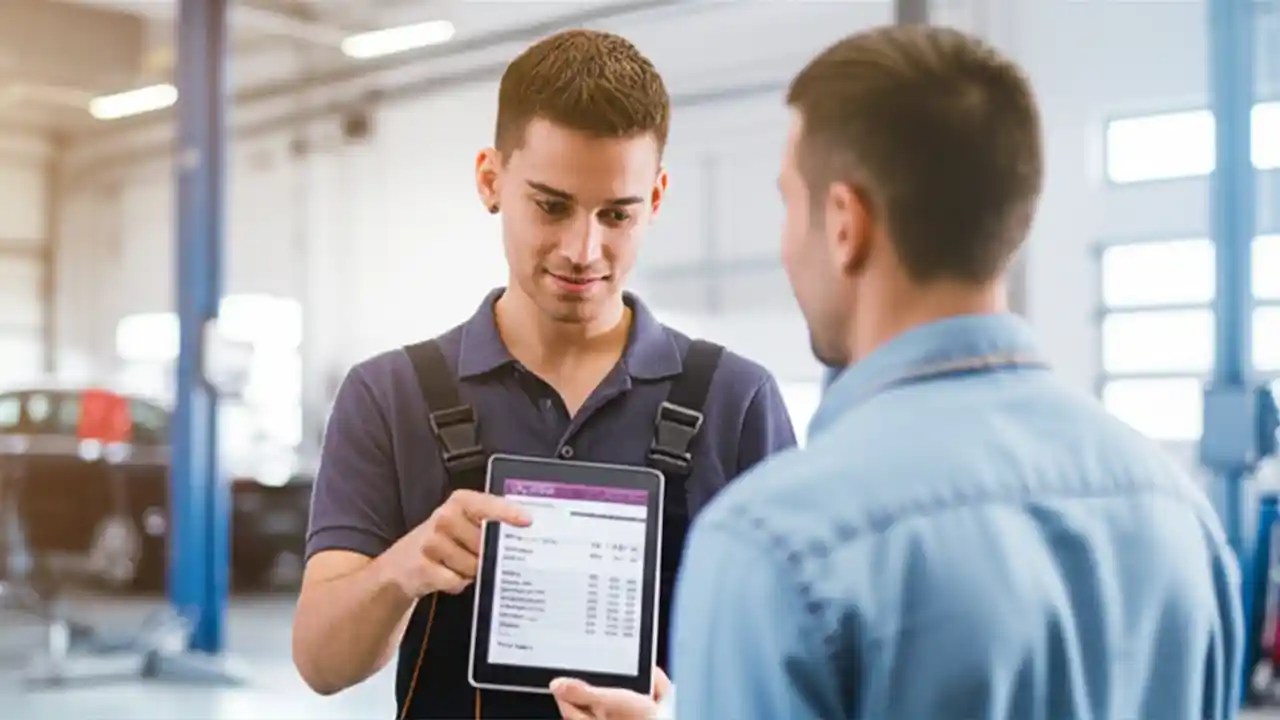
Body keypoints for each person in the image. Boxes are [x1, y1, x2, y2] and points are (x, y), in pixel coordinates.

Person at [550, 24, 1243, 720]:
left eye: (790, 204)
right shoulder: (1178, 516)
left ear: (844, 224)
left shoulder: (775, 543)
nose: (786, 245)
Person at [290, 28, 797, 720]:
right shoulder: (389, 395)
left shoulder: (736, 403)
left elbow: (796, 675)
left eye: (616, 214)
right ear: (490, 180)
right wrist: (402, 570)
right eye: (552, 206)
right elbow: (321, 663)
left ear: (656, 198)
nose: (583, 249)